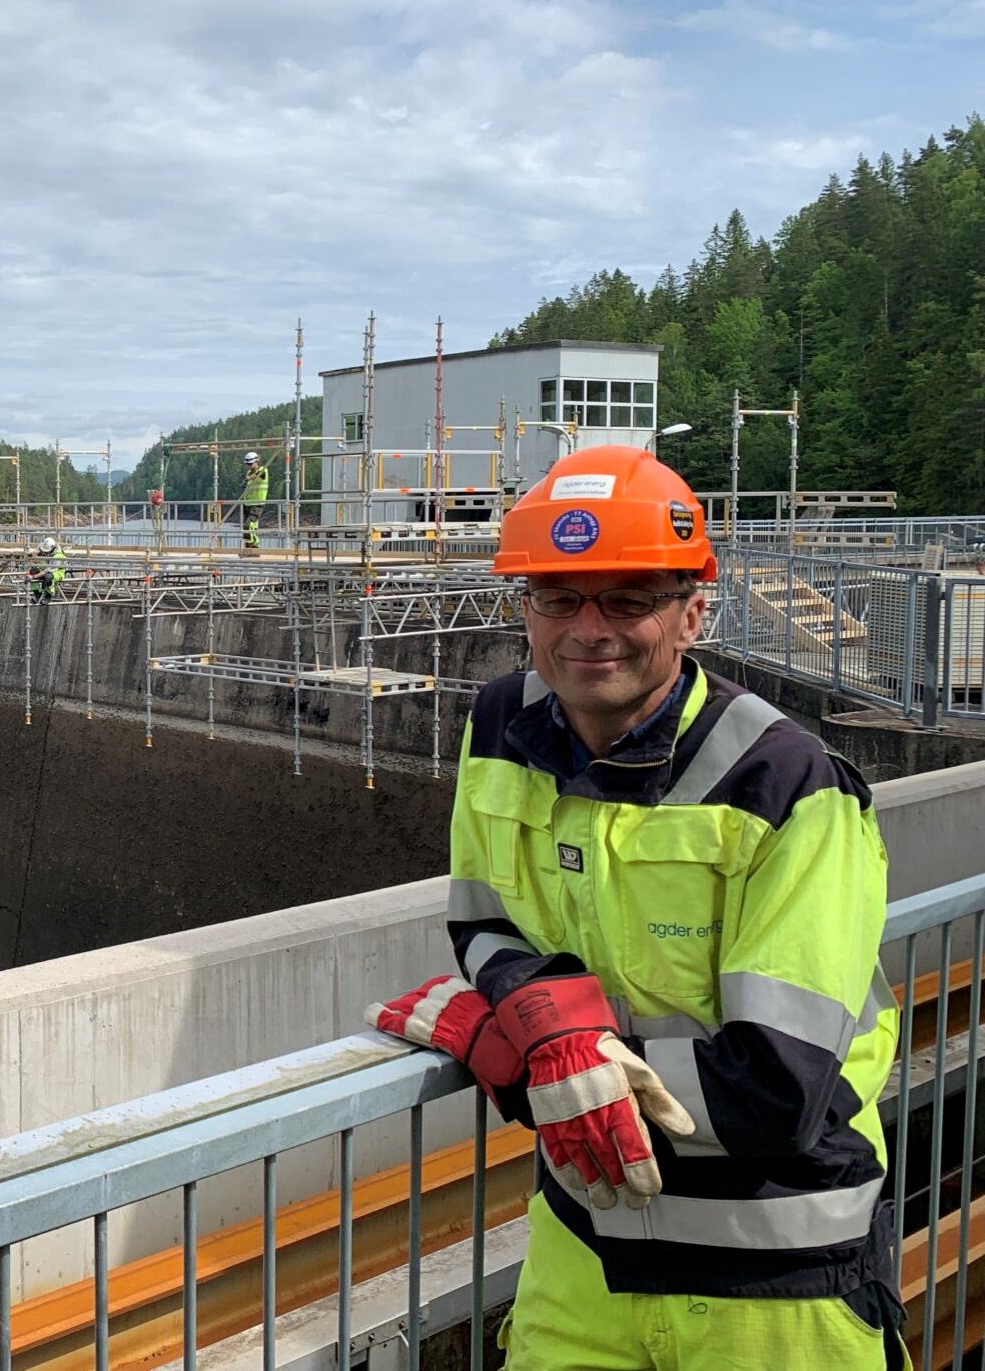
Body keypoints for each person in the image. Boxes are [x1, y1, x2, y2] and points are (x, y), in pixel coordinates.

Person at [365, 446, 905, 1369]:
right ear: (522, 607)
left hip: (776, 1277)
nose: (590, 630)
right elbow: (483, 918)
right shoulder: (501, 728)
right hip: (586, 1251)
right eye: (558, 597)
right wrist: (546, 1022)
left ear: (693, 612)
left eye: (628, 599)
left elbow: (776, 1091)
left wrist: (535, 1069)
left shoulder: (785, 785)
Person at [240, 451, 268, 549]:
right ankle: (251, 545)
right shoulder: (248, 472)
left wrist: (247, 479)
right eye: (248, 464)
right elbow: (250, 478)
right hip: (248, 503)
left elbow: (257, 475)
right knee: (252, 526)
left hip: (258, 503)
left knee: (249, 524)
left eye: (251, 464)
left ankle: (253, 542)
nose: (249, 466)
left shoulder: (263, 470)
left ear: (257, 461)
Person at [27, 536, 67, 603]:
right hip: (44, 568)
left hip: (57, 571)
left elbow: (48, 570)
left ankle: (48, 595)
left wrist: (34, 576)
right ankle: (37, 594)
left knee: (48, 577)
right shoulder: (42, 546)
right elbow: (34, 556)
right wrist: (32, 556)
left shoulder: (58, 555)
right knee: (33, 571)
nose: (44, 553)